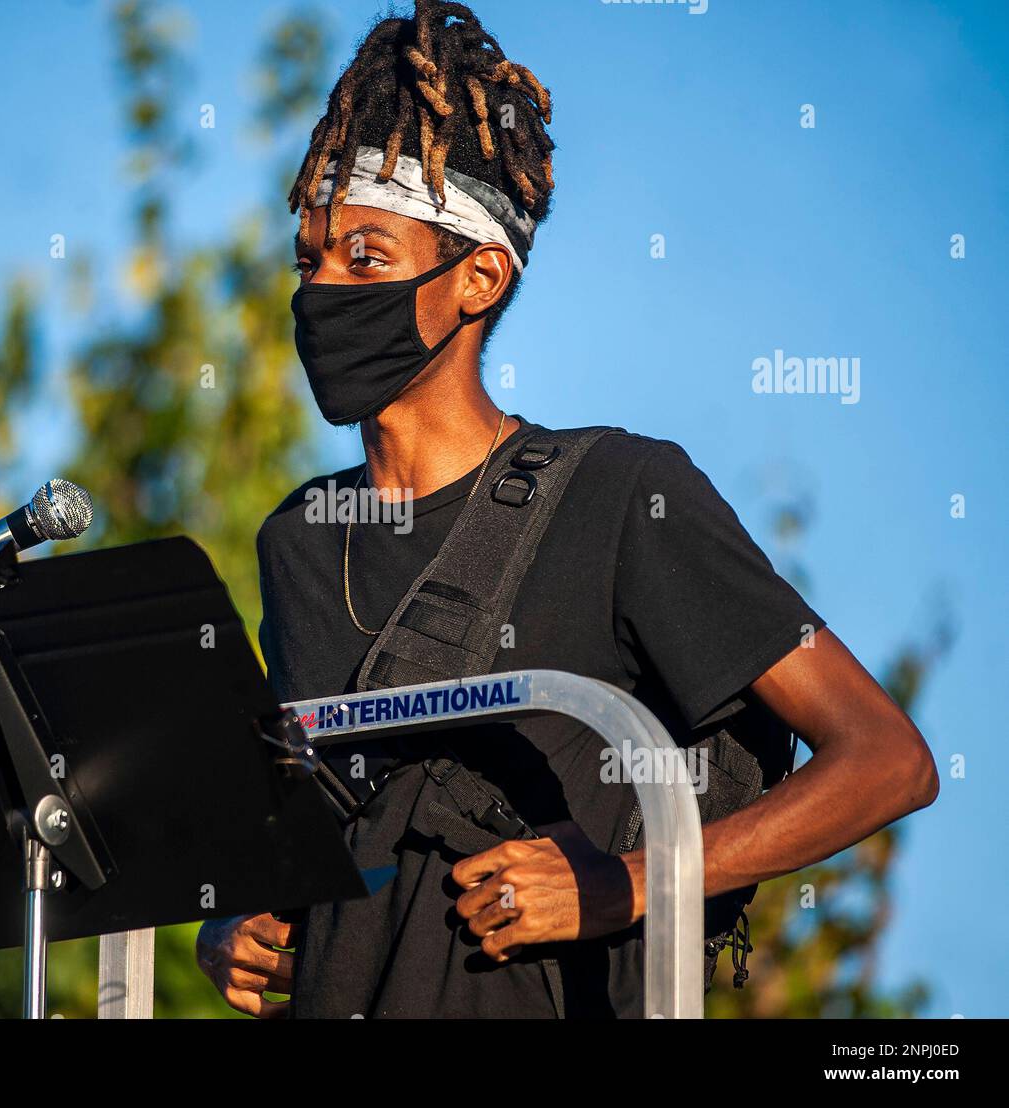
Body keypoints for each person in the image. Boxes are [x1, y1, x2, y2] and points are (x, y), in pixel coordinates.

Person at [196, 0, 938, 1019]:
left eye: (365, 258)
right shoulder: (296, 543)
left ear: (477, 277)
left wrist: (629, 883)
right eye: (309, 259)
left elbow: (886, 759)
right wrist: (238, 929)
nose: (320, 290)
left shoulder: (620, 495)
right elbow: (318, 845)